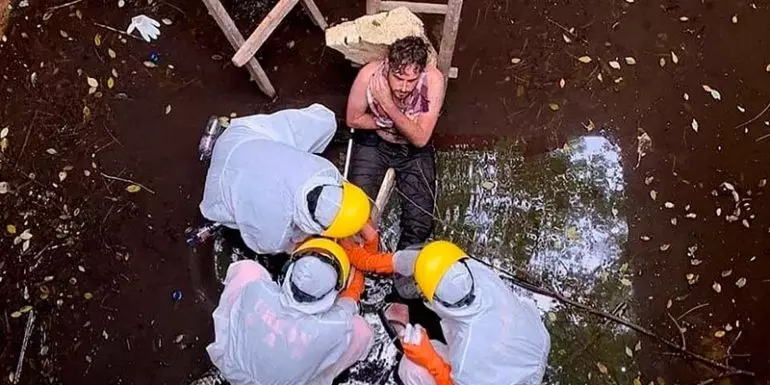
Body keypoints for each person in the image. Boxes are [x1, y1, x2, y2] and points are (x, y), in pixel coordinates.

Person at [340, 239, 551, 385]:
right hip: (531, 343)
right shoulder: (475, 272)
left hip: (508, 378)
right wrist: (367, 260)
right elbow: (424, 261)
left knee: (411, 368)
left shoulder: (468, 353)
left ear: (437, 302)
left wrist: (429, 359)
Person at [200, 103, 371, 255]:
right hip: (220, 183)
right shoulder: (276, 235)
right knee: (238, 212)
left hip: (241, 138)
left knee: (325, 120)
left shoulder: (324, 171)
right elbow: (269, 245)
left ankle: (218, 139)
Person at [207, 238, 373, 385]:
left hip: (232, 366)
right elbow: (346, 309)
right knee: (361, 330)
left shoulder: (257, 289)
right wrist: (352, 291)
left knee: (247, 270)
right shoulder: (333, 329)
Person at [345, 36, 446, 250]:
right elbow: (353, 118)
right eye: (398, 78)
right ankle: (365, 255)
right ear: (388, 67)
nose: (403, 87)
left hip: (412, 148)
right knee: (355, 211)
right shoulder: (370, 75)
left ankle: (403, 268)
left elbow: (420, 138)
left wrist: (388, 105)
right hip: (375, 140)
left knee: (420, 223)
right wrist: (384, 123)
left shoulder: (432, 80)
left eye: (411, 81)